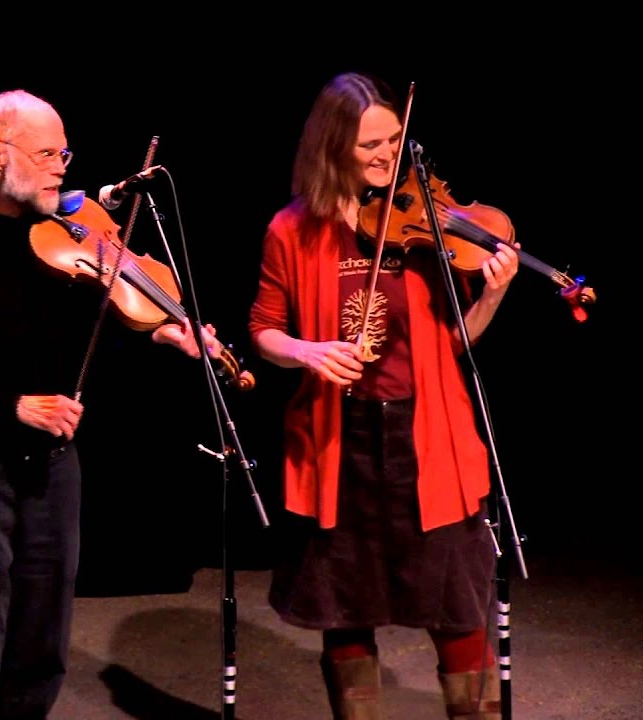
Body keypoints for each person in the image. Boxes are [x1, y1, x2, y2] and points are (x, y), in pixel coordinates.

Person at [0, 89, 218, 719]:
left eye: (64, 152)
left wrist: (163, 329)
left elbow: (99, 316)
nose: (62, 166)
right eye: (47, 153)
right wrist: (10, 405)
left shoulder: (63, 237)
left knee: (41, 648)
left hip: (51, 468)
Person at [247, 72, 520, 720]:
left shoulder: (421, 218)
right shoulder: (291, 229)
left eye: (396, 139)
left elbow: (454, 345)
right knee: (345, 613)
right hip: (339, 444)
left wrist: (493, 295)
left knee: (459, 611)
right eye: (371, 143)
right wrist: (307, 351)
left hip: (429, 440)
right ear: (332, 145)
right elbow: (263, 331)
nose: (388, 155)